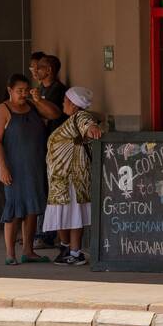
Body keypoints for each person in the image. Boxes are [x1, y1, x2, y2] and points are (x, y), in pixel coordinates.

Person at [0, 73, 50, 265]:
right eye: (19, 91)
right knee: (14, 209)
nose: (23, 94)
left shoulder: (33, 106)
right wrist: (2, 168)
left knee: (32, 209)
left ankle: (28, 250)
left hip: (35, 165)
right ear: (10, 91)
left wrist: (38, 100)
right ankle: (10, 253)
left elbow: (54, 114)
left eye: (26, 90)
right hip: (14, 167)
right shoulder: (3, 109)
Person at [44, 86, 102, 265]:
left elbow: (88, 122)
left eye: (65, 100)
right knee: (71, 214)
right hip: (64, 179)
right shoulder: (70, 120)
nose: (63, 103)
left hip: (71, 178)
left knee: (72, 214)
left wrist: (92, 128)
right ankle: (70, 250)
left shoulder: (79, 116)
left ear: (74, 105)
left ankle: (72, 251)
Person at [29, 54, 68, 249]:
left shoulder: (58, 89)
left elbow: (53, 113)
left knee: (52, 191)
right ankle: (40, 232)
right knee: (42, 188)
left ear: (50, 70)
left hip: (56, 147)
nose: (36, 71)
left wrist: (37, 102)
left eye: (40, 67)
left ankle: (47, 235)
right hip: (42, 144)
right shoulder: (41, 89)